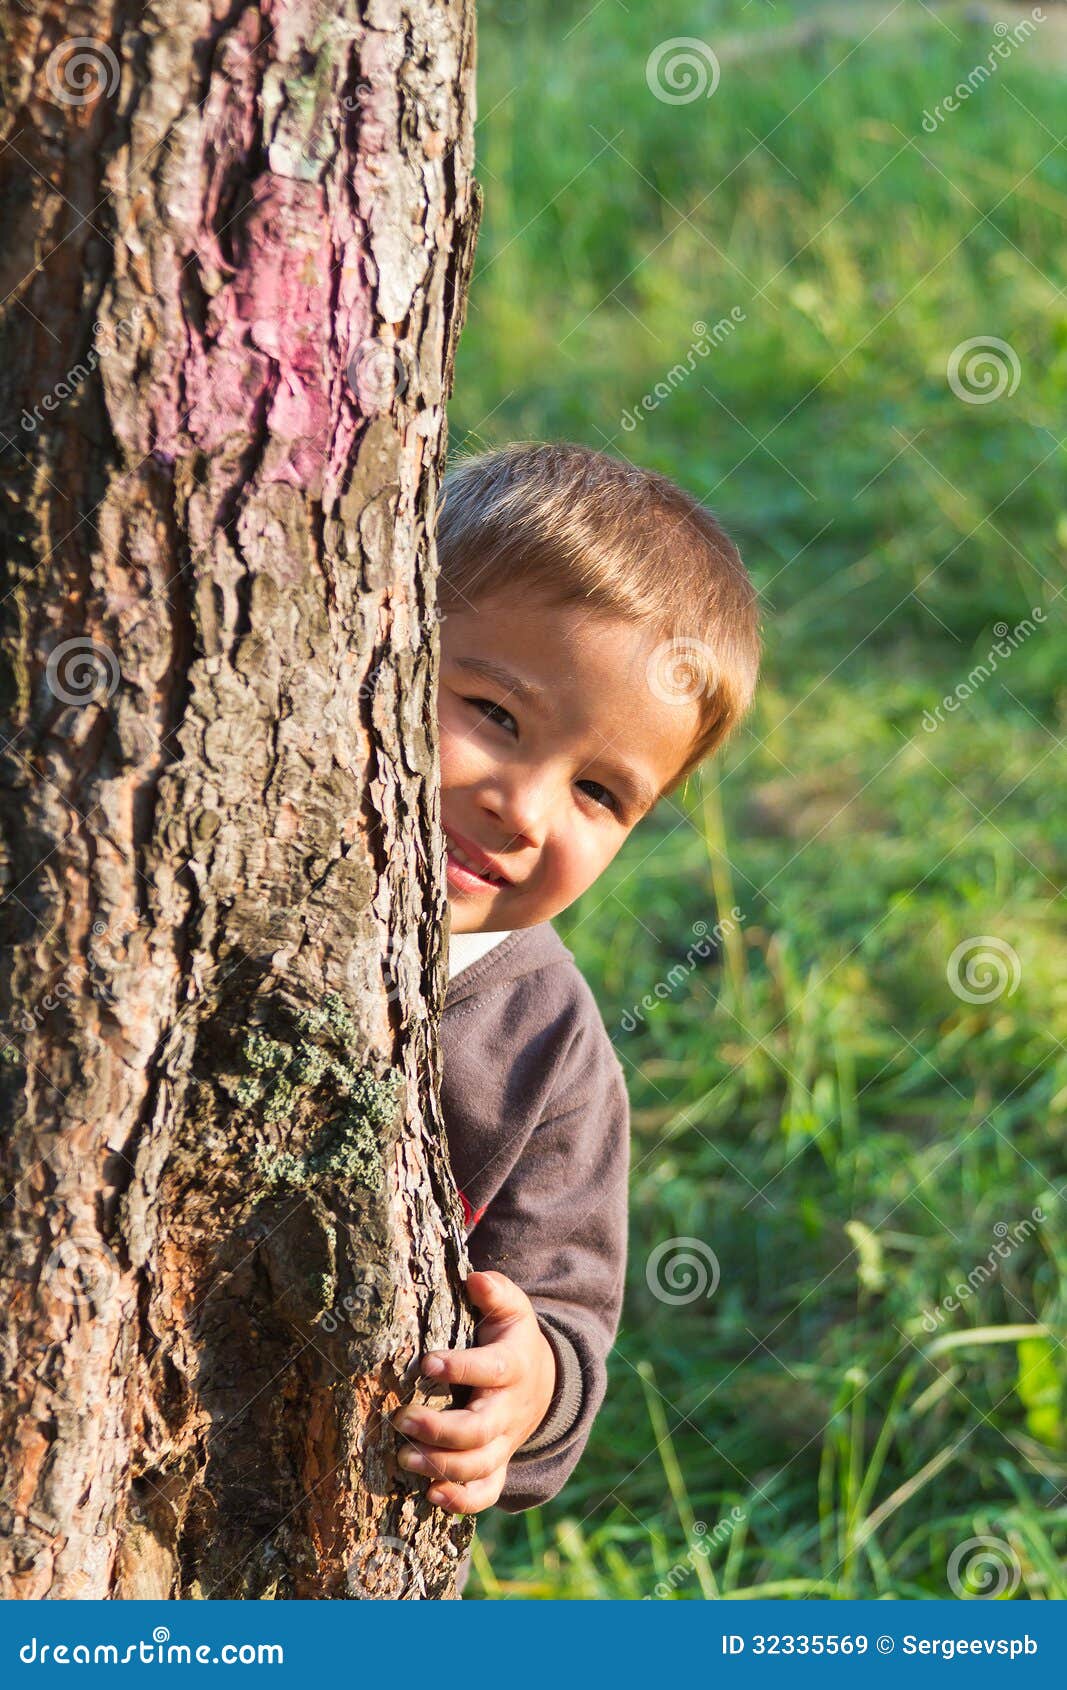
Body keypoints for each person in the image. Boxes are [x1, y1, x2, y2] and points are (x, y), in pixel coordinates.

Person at [390, 442, 761, 1572]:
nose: (523, 807)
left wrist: (521, 1389)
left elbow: (562, 1319)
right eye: (495, 713)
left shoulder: (552, 1052)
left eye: (599, 791)